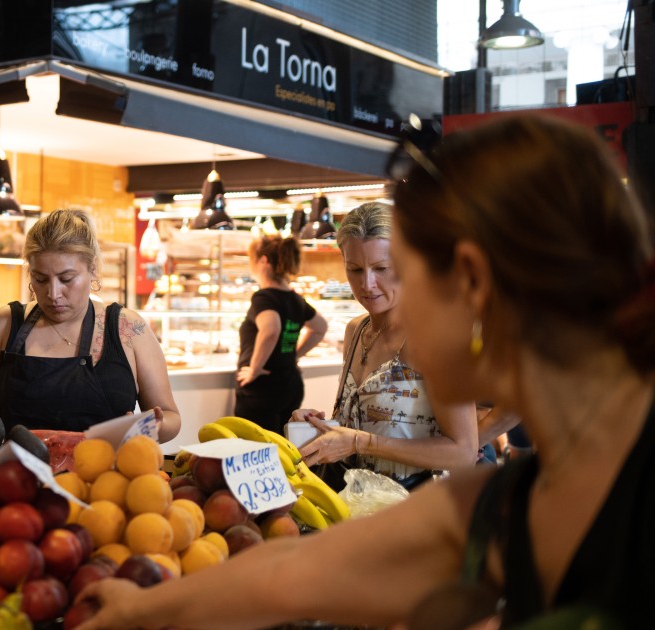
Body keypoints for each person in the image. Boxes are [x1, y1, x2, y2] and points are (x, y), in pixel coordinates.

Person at [77, 115, 655, 629]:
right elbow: (295, 573)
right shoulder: (516, 501)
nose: (382, 295)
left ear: (472, 282)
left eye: (408, 274)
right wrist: (143, 611)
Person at [291, 201, 478, 491]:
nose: (367, 283)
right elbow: (368, 422)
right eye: (354, 269)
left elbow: (463, 451)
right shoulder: (357, 330)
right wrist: (323, 427)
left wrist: (358, 443)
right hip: (352, 503)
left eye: (382, 268)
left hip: (413, 511)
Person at [0, 209, 181, 442]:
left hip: (107, 476)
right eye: (40, 279)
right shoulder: (4, 325)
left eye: (66, 279)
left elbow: (170, 417)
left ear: (93, 269)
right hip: (18, 475)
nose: (53, 293)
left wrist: (152, 426)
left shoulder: (127, 329)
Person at [234, 235, 328, 434]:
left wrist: (254, 368)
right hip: (290, 384)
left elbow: (271, 329)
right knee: (282, 448)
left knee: (256, 452)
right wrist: (293, 356)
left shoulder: (265, 296)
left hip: (262, 389)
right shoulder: (295, 299)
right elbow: (320, 327)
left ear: (264, 261)